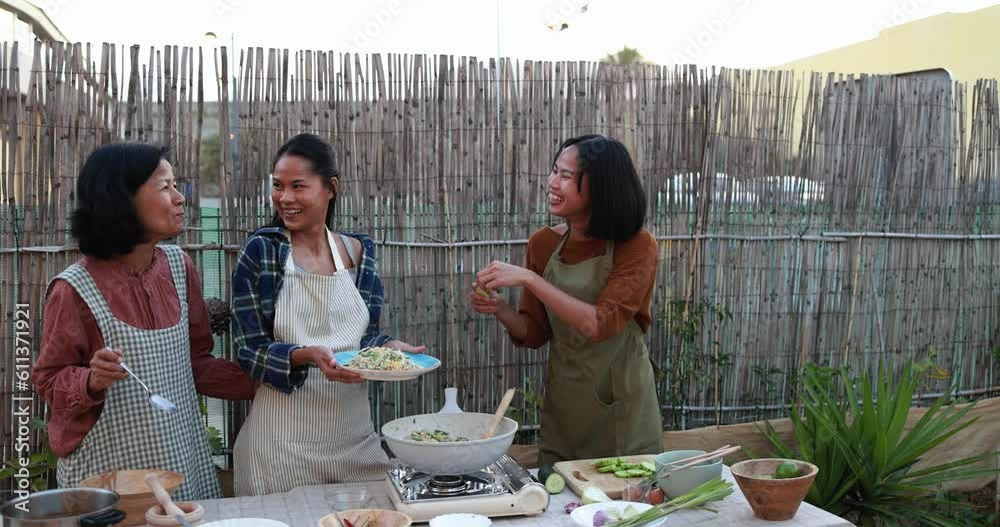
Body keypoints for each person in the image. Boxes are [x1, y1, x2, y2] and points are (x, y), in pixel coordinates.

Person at [32, 143, 256, 500]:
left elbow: (196, 364)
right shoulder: (74, 289)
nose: (180, 198)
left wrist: (268, 382)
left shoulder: (179, 268)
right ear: (121, 200)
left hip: (182, 465)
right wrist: (92, 380)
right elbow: (48, 381)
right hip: (107, 478)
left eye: (176, 185)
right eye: (165, 187)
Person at [231, 133, 426, 496]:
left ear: (330, 188)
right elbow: (247, 350)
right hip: (280, 449)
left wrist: (388, 349)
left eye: (298, 186)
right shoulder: (262, 251)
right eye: (278, 186)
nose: (284, 198)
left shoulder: (358, 252)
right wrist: (304, 355)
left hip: (354, 443)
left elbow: (363, 338)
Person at [471, 134, 663, 465]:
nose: (551, 183)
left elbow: (600, 323)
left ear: (601, 187)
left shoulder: (638, 247)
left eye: (566, 176)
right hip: (566, 410)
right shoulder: (543, 243)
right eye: (553, 171)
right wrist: (500, 309)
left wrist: (531, 278)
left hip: (623, 412)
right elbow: (534, 332)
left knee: (626, 507)